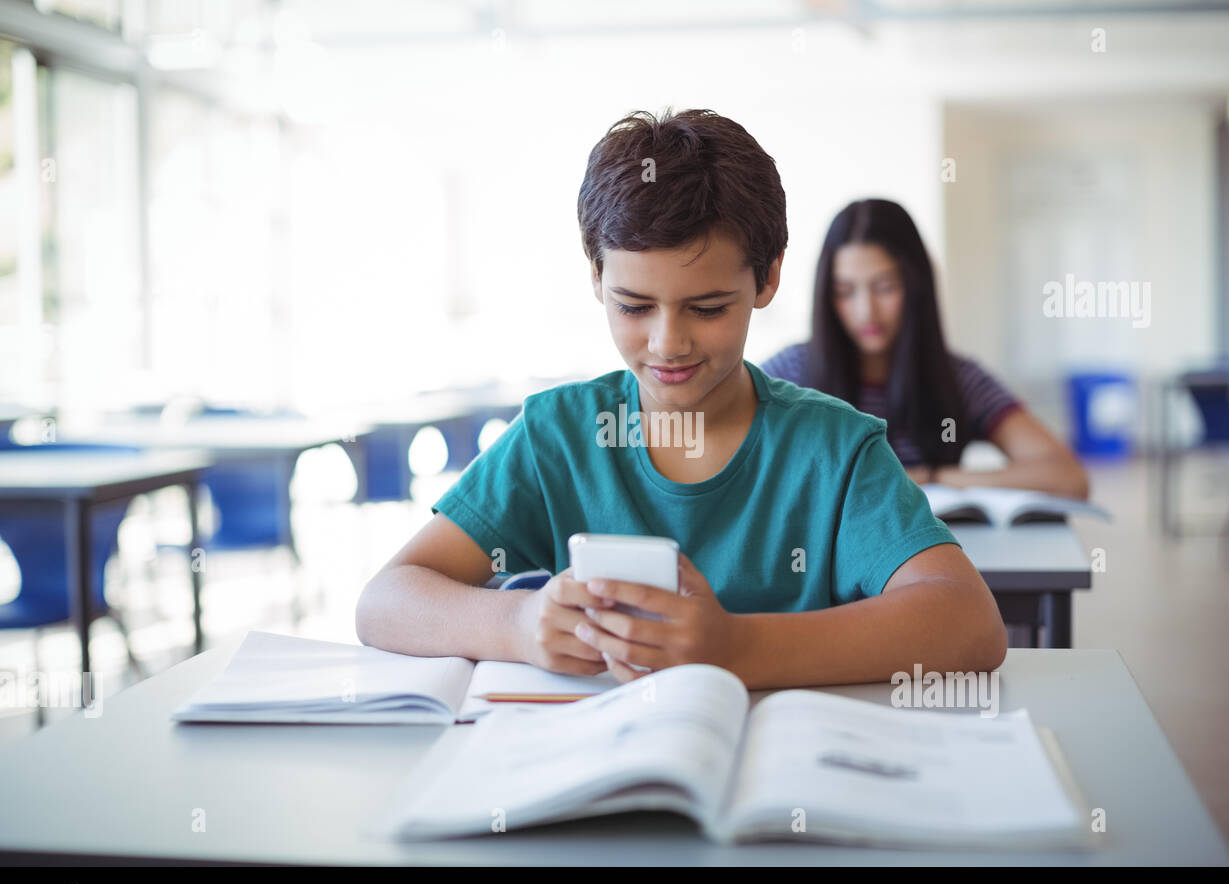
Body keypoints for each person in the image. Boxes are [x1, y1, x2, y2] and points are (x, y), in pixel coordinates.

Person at [356, 110, 1005, 688]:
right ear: (597, 280)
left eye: (708, 306)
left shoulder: (834, 448)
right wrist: (517, 623)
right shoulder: (558, 435)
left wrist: (739, 647)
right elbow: (384, 599)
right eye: (634, 306)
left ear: (768, 277)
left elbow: (968, 623)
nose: (669, 343)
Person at [762, 199, 1089, 499]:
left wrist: (934, 477)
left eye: (885, 287)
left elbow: (1068, 477)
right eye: (845, 291)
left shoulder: (959, 379)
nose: (866, 311)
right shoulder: (790, 373)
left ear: (915, 284)